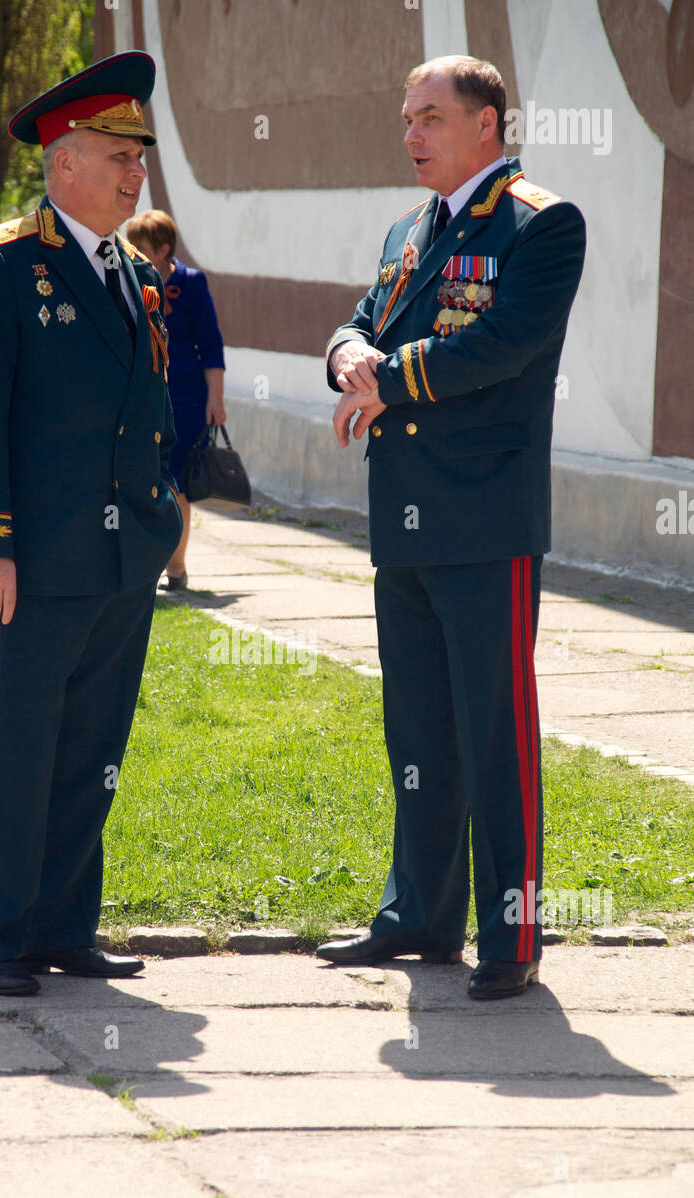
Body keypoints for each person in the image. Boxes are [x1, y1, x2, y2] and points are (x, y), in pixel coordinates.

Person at [316, 55, 586, 1000]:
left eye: (429, 116)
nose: (411, 134)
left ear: (487, 125)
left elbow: (504, 344)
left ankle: (509, 934)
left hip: (484, 515)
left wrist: (386, 379)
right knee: (418, 729)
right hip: (403, 513)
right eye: (406, 117)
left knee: (494, 729)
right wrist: (350, 352)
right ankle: (419, 916)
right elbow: (360, 321)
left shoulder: (539, 222)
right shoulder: (406, 227)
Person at [0, 51, 182, 996]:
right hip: (33, 562)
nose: (136, 174)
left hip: (120, 558)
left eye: (139, 157)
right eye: (120, 154)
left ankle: (62, 925)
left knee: (92, 750)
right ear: (64, 160)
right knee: (19, 743)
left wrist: (155, 528)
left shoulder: (129, 269)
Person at [124, 209, 226, 591]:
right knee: (142, 477)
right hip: (142, 393)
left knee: (176, 483)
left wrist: (216, 399)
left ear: (165, 249)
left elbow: (211, 345)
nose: (132, 252)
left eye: (142, 246)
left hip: (186, 398)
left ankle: (176, 567)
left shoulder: (191, 283)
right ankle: (145, 559)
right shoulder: (126, 280)